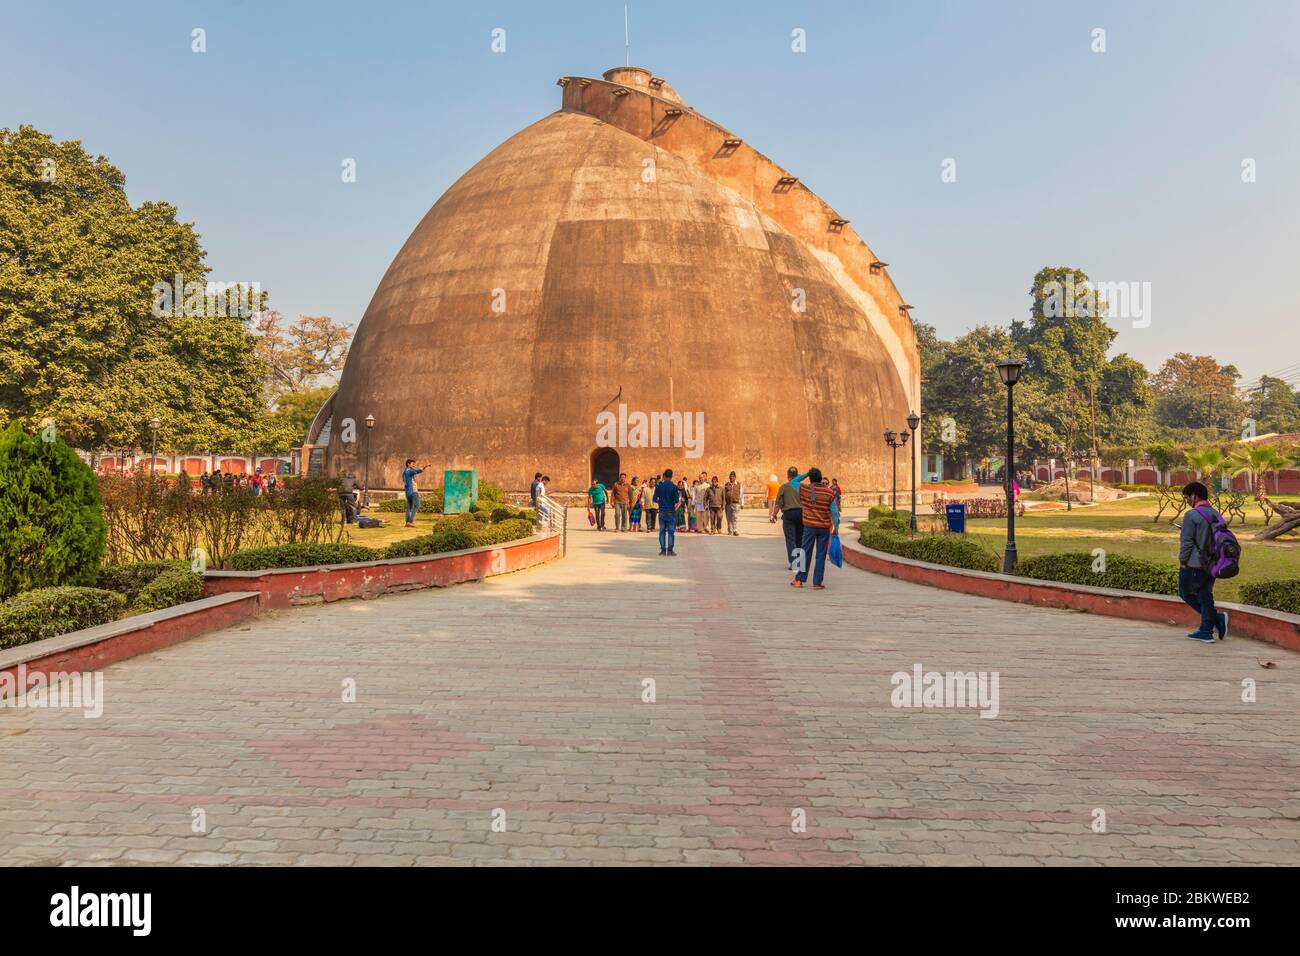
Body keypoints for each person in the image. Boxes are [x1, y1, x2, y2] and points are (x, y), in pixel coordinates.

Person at [1179, 481, 1228, 643]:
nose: (1187, 501)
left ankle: (1211, 625)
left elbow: (1186, 542)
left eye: (1187, 498)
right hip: (1213, 563)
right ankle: (1210, 625)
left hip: (1194, 563)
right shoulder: (1215, 513)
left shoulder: (1191, 515)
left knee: (1185, 592)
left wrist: (1183, 561)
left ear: (1194, 496)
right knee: (1205, 594)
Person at [791, 467, 840, 589]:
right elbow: (834, 512)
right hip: (824, 528)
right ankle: (817, 582)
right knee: (821, 554)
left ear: (811, 478)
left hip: (809, 527)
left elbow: (793, 482)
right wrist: (836, 527)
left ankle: (799, 580)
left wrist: (806, 474)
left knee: (805, 552)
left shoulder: (805, 489)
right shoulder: (829, 493)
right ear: (820, 478)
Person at [775, 466, 803, 569]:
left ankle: (794, 563)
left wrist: (773, 515)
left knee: (791, 539)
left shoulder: (784, 487)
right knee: (800, 539)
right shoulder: (802, 486)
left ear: (788, 476)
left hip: (789, 515)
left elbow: (778, 504)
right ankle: (800, 563)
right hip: (801, 514)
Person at [653, 469, 681, 555]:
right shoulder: (674, 487)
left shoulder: (659, 486)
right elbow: (676, 500)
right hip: (671, 512)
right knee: (671, 531)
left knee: (662, 531)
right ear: (671, 476)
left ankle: (662, 550)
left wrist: (660, 502)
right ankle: (670, 550)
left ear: (664, 476)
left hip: (662, 511)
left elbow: (654, 499)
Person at [401, 459, 428, 527]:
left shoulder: (404, 472)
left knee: (409, 507)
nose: (414, 465)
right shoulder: (409, 470)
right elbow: (418, 471)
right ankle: (410, 521)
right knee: (417, 505)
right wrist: (425, 466)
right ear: (408, 464)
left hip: (407, 491)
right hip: (413, 491)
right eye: (413, 464)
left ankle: (407, 522)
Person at [724, 471, 743, 535]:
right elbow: (724, 494)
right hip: (728, 504)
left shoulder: (739, 484)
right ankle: (730, 530)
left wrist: (742, 503)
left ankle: (735, 530)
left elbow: (741, 494)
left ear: (735, 477)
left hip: (736, 503)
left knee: (735, 517)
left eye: (733, 476)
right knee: (728, 518)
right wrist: (723, 503)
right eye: (730, 476)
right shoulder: (726, 484)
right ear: (729, 477)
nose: (731, 478)